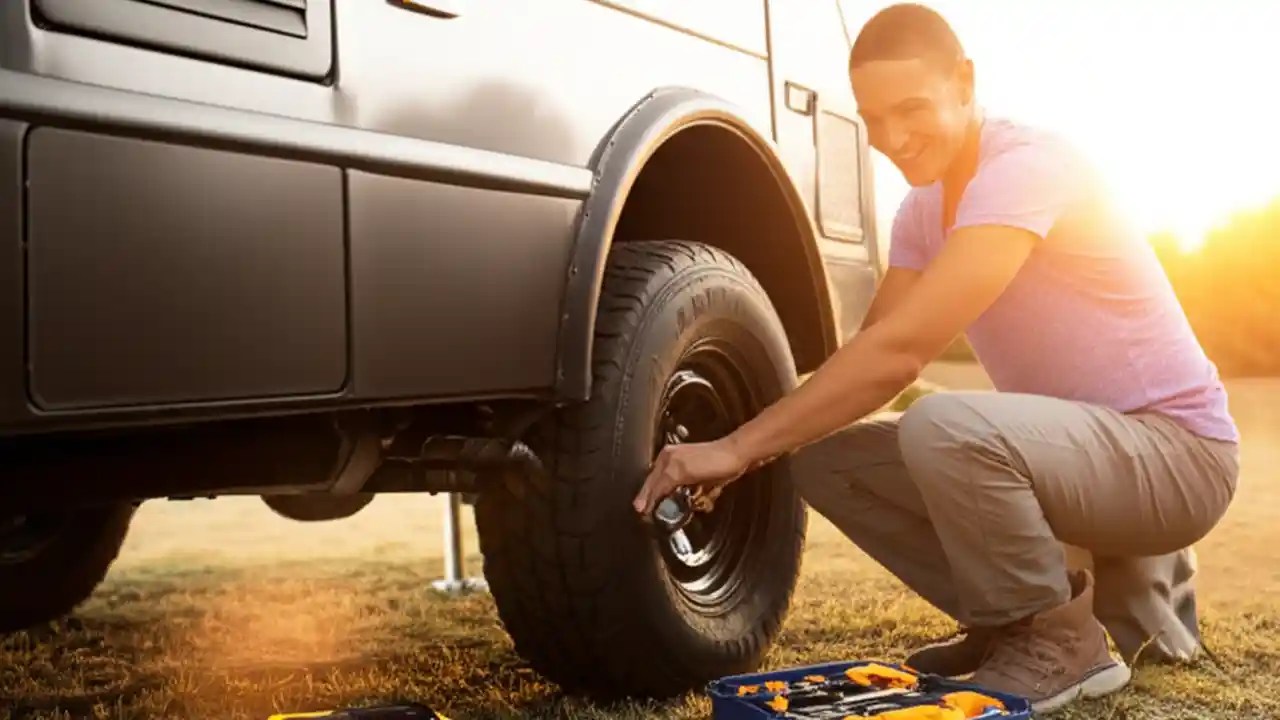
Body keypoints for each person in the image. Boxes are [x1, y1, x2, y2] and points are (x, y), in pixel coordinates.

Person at [631, 2, 1240, 714]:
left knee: (943, 427)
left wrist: (735, 448)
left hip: (1179, 456)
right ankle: (1009, 621)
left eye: (911, 108)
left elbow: (902, 355)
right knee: (825, 460)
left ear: (965, 81)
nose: (891, 137)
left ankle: (1060, 643)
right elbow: (868, 353)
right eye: (873, 117)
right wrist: (752, 445)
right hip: (1082, 461)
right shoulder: (924, 210)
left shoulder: (1027, 167)